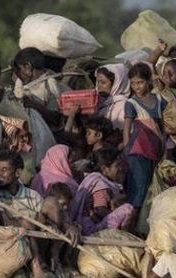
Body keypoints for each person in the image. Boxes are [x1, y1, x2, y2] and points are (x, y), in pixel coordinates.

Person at [0, 149, 67, 278]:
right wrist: (24, 223)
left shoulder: (31, 196)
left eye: (4, 170)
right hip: (12, 243)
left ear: (17, 173)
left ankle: (53, 256)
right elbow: (4, 222)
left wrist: (61, 225)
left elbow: (48, 217)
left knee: (51, 202)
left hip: (37, 242)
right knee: (26, 223)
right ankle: (38, 273)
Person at [123, 63, 167, 210]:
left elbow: (162, 126)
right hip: (137, 152)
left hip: (155, 150)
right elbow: (127, 129)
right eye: (133, 83)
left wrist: (164, 147)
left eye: (140, 82)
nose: (137, 87)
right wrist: (127, 151)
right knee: (139, 190)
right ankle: (131, 223)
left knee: (151, 187)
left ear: (149, 81)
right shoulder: (131, 103)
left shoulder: (159, 100)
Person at [69, 148, 131, 235]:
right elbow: (100, 210)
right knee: (128, 208)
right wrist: (113, 212)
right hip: (91, 229)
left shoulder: (98, 181)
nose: (120, 168)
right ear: (105, 169)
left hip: (88, 225)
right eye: (116, 166)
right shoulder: (101, 184)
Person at [12, 47, 66, 127]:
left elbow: (56, 118)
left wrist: (35, 105)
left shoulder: (49, 84)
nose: (18, 75)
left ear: (28, 67)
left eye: (19, 70)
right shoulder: (22, 84)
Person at [94, 64, 129, 131]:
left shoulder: (124, 107)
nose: (99, 86)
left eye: (103, 82)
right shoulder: (99, 103)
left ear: (116, 84)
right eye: (98, 82)